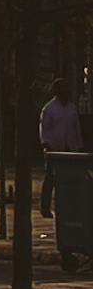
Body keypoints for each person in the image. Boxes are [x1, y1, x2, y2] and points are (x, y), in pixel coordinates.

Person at [39, 80, 84, 212]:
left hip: (71, 148)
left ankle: (69, 205)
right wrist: (46, 145)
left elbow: (76, 128)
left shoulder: (72, 108)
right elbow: (44, 129)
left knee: (71, 179)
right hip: (55, 149)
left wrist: (79, 146)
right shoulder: (49, 109)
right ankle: (45, 208)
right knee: (50, 178)